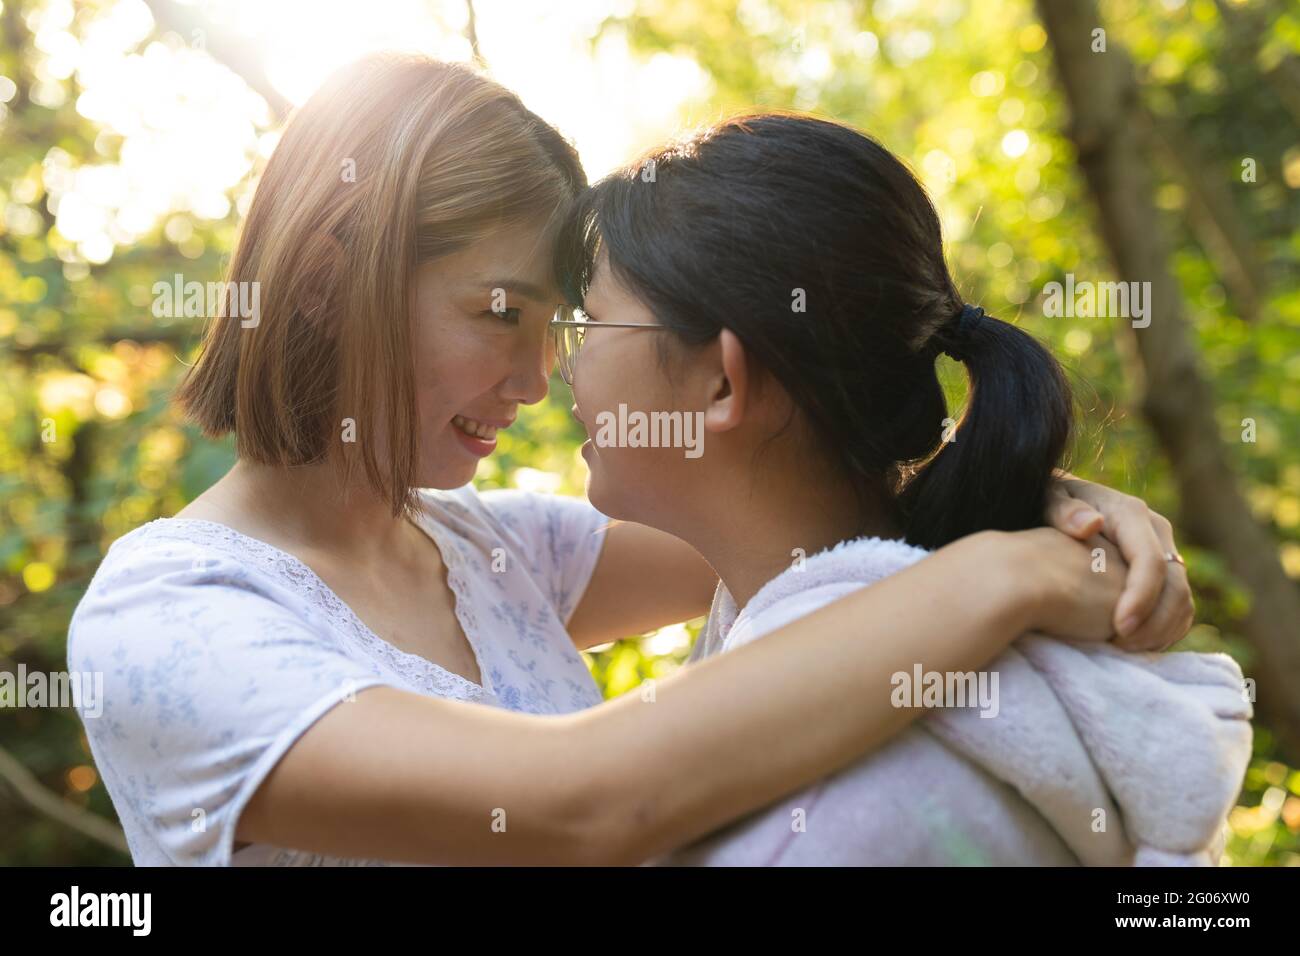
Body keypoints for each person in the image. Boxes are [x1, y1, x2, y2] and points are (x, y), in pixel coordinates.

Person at [66, 55, 1191, 867]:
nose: (537, 374)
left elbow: (791, 493)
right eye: (499, 311)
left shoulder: (493, 551)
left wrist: (1043, 492)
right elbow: (580, 803)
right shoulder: (169, 617)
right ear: (322, 277)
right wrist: (1011, 573)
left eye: (560, 322)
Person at [552, 112, 1247, 864]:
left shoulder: (835, 816)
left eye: (589, 323)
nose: (564, 368)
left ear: (722, 380)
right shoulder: (912, 617)